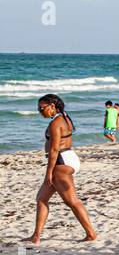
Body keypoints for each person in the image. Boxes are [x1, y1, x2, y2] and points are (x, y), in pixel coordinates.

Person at [26, 94, 95, 244]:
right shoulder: (65, 117)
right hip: (68, 157)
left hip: (61, 162)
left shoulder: (55, 123)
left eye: (41, 108)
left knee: (72, 201)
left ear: (52, 106)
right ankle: (36, 236)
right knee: (42, 199)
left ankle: (91, 234)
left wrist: (48, 172)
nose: (40, 111)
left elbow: (54, 149)